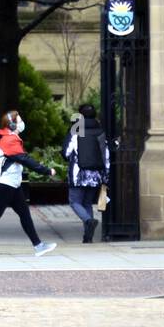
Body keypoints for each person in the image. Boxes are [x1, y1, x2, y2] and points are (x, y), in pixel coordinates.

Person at [0, 109, 59, 258]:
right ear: (12, 125)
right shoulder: (9, 139)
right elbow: (25, 159)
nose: (22, 123)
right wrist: (47, 171)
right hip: (4, 182)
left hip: (9, 182)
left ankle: (38, 246)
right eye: (20, 120)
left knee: (24, 214)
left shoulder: (3, 136)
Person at [64, 103, 110, 243]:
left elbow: (66, 152)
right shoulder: (100, 131)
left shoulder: (76, 131)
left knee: (74, 201)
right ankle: (88, 236)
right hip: (95, 174)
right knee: (87, 203)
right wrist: (105, 175)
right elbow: (106, 155)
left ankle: (88, 220)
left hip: (78, 174)